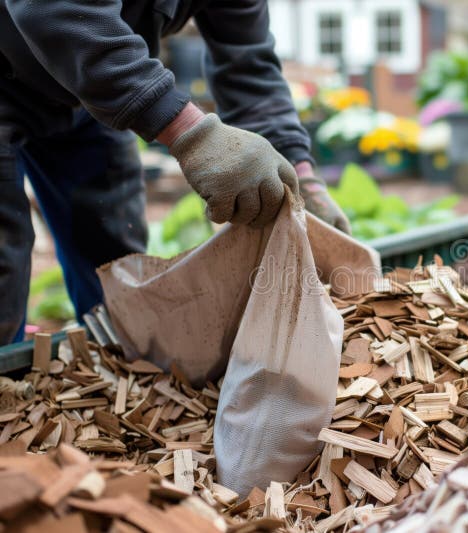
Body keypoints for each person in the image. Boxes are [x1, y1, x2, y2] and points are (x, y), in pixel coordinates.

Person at [0, 0, 350, 345]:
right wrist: (191, 132)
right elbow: (57, 9)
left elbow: (249, 69)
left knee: (114, 262)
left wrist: (301, 176)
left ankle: (114, 380)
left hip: (87, 94)